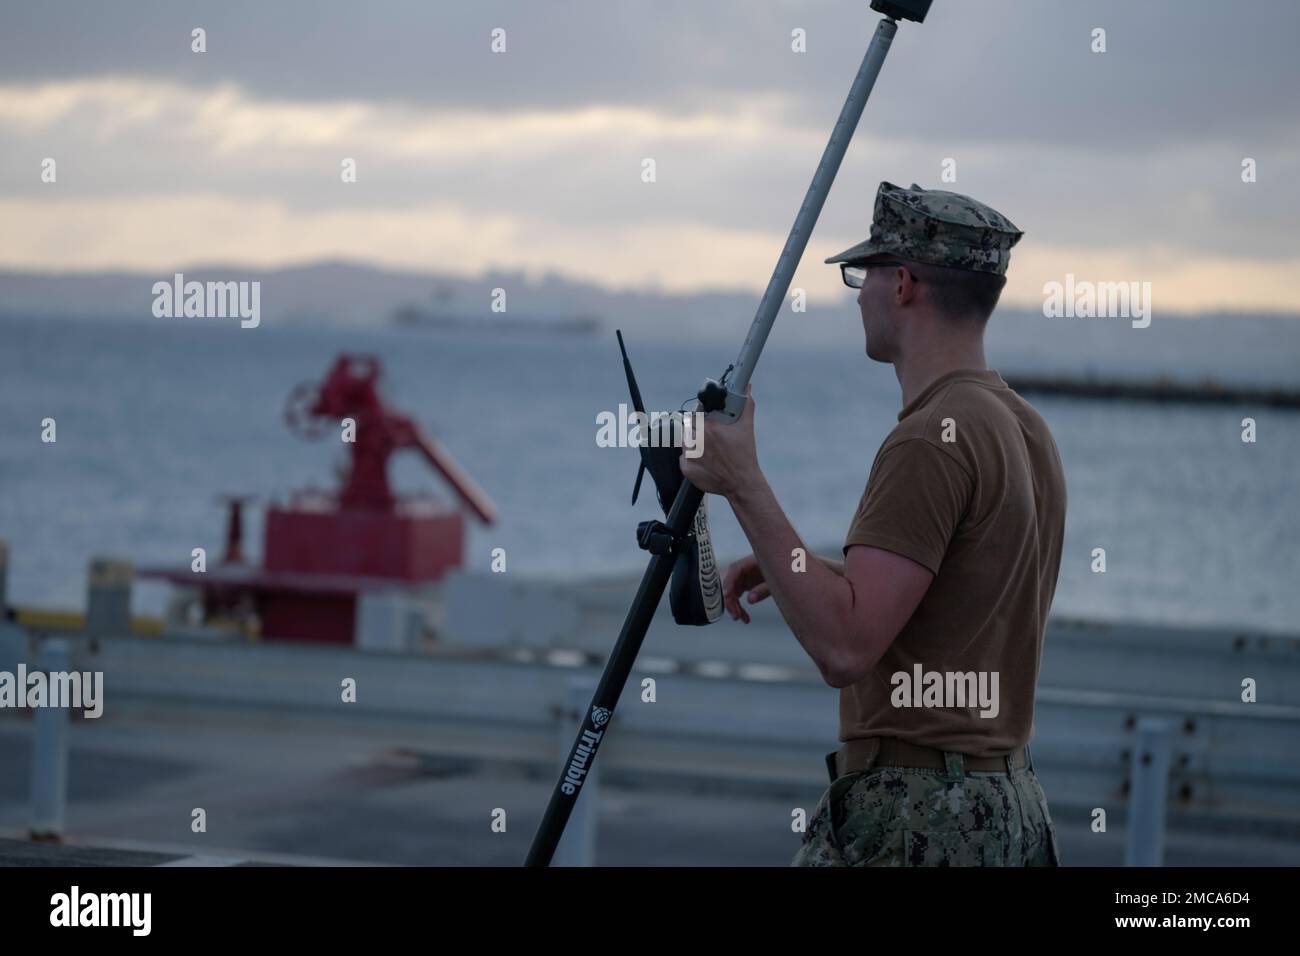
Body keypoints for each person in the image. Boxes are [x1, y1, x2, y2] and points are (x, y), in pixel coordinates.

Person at [680, 181, 1067, 866]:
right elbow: (966, 592)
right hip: (1008, 808)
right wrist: (804, 567)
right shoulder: (1022, 426)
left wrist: (742, 482)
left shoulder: (929, 440)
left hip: (918, 817)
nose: (857, 294)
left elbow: (845, 647)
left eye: (863, 274)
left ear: (904, 285)